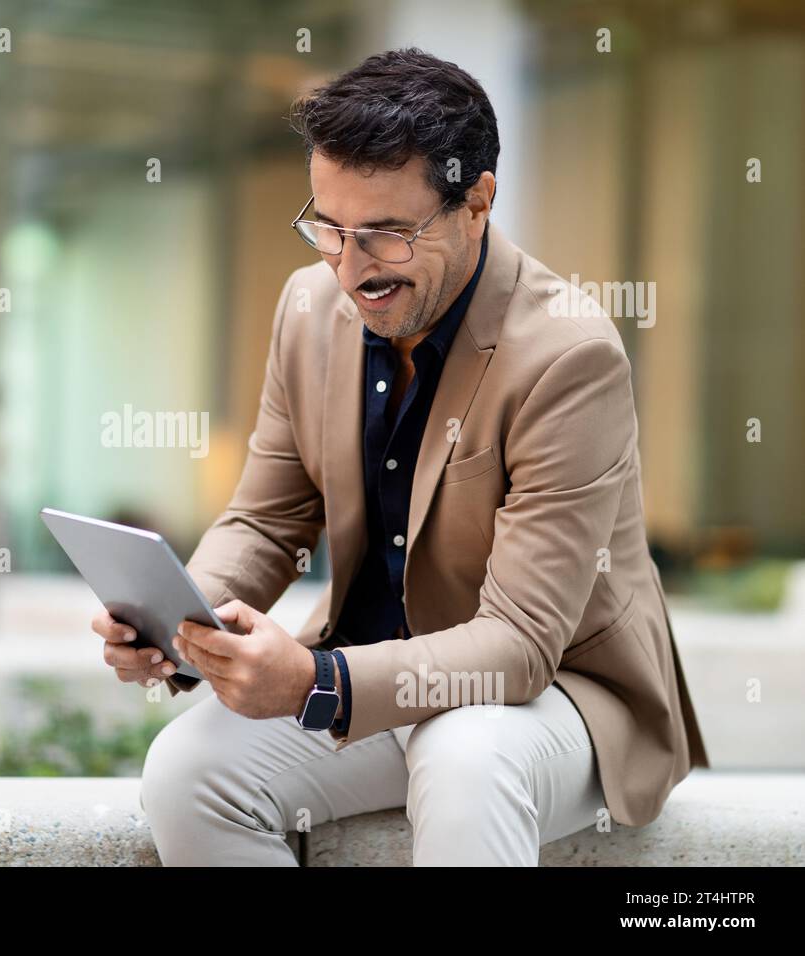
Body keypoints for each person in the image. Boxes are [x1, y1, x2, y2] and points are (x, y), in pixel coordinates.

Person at [92, 47, 706, 866]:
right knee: (186, 772)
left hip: (556, 696)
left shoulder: (569, 356)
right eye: (329, 229)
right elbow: (268, 520)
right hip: (372, 679)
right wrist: (180, 620)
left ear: (478, 200)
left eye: (385, 234)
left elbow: (521, 644)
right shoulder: (308, 308)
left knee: (466, 761)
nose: (349, 267)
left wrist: (318, 682)